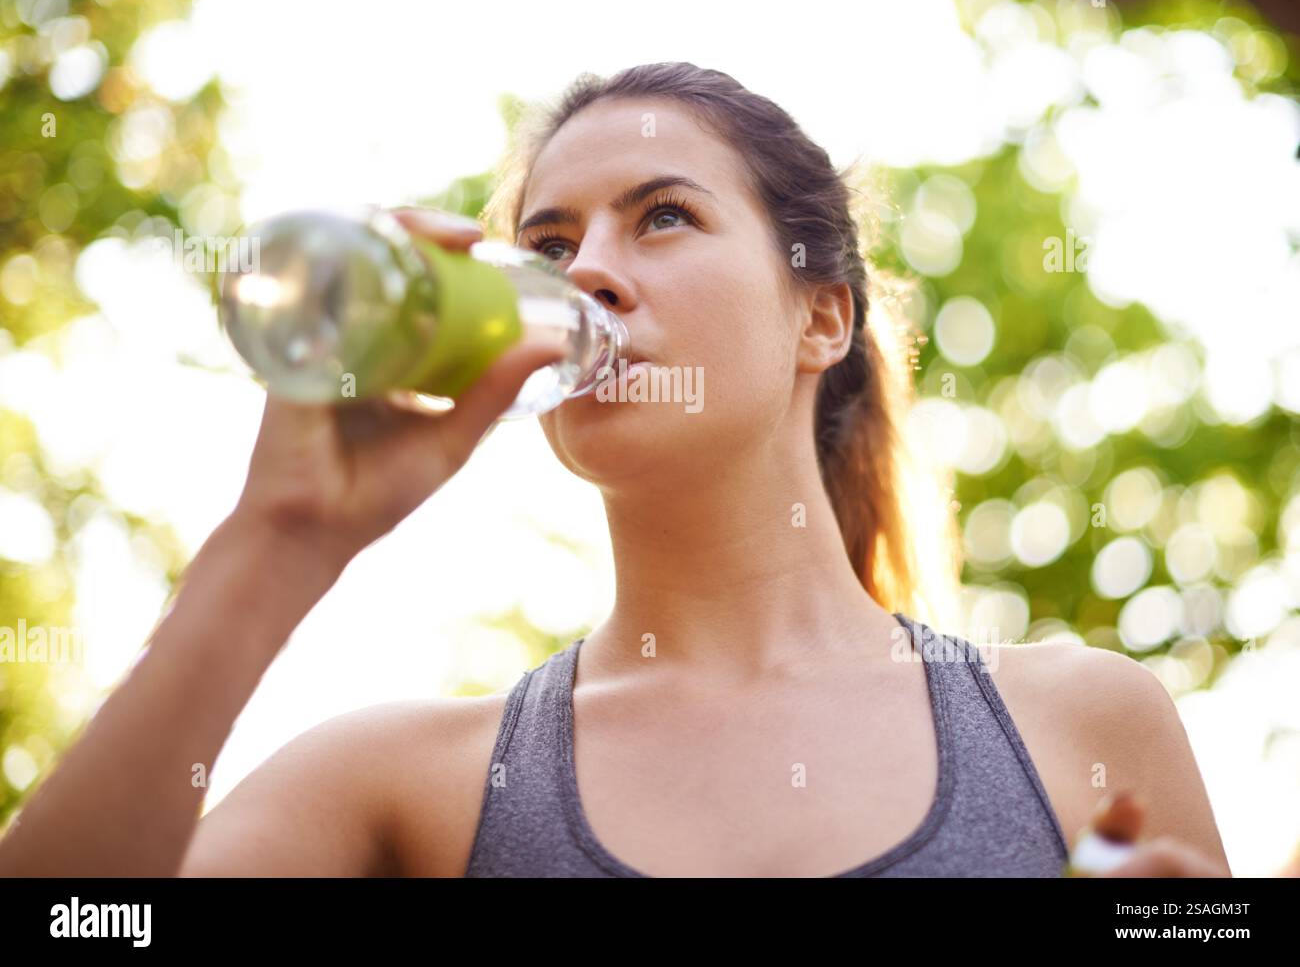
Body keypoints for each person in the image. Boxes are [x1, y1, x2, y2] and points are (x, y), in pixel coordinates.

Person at [0, 62, 1231, 878]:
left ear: (821, 318)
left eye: (662, 216)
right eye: (546, 241)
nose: (584, 269)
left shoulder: (1079, 721)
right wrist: (276, 544)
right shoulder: (408, 783)